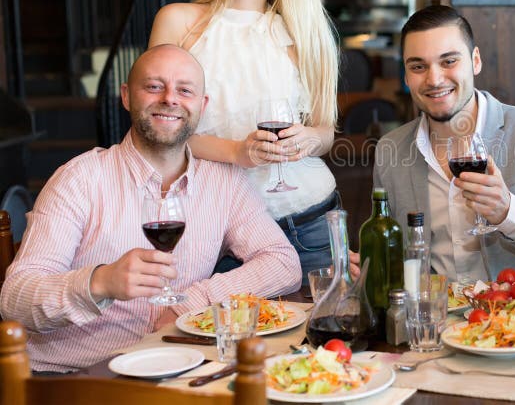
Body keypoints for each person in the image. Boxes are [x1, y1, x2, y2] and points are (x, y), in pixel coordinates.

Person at [0, 45, 302, 372]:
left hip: (173, 370)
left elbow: (283, 263)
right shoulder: (79, 179)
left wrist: (198, 301)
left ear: (201, 106)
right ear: (127, 96)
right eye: (154, 86)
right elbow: (14, 300)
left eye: (184, 90)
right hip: (73, 378)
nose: (170, 99)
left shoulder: (224, 182)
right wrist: (98, 283)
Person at [148, 0, 339, 281]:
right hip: (217, 235)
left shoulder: (306, 33)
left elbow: (325, 133)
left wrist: (306, 140)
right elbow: (159, 132)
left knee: (320, 342)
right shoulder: (177, 22)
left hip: (310, 223)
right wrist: (237, 151)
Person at [371, 5, 515, 303]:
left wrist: (508, 211)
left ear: (475, 61)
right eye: (418, 66)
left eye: (448, 61)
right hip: (438, 329)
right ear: (406, 76)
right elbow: (399, 254)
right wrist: (374, 266)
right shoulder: (390, 149)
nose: (434, 79)